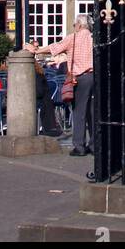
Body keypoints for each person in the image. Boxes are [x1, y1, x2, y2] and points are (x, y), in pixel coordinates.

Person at [34, 16, 93, 155]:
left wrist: (37, 51)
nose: (74, 27)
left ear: (79, 25)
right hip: (94, 76)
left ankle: (79, 146)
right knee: (92, 111)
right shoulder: (93, 37)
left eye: (74, 24)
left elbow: (55, 48)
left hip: (80, 77)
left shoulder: (73, 38)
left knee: (79, 112)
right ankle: (95, 145)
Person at [24, 42, 63, 137]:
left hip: (41, 100)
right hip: (45, 100)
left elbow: (39, 92)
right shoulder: (37, 69)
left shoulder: (34, 72)